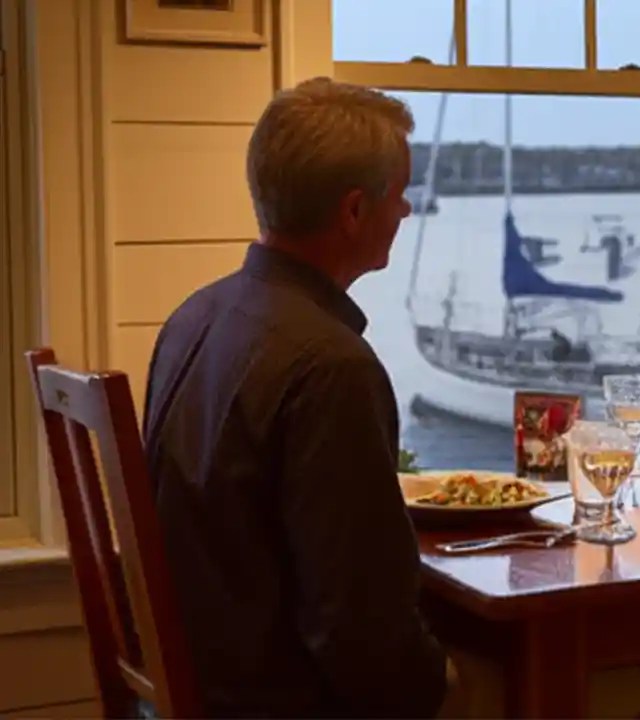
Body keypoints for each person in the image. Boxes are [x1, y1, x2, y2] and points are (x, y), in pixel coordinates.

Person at [143, 77, 448, 717]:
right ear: (355, 211)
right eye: (400, 194)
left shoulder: (194, 317)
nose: (408, 211)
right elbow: (360, 635)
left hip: (204, 687)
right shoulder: (330, 367)